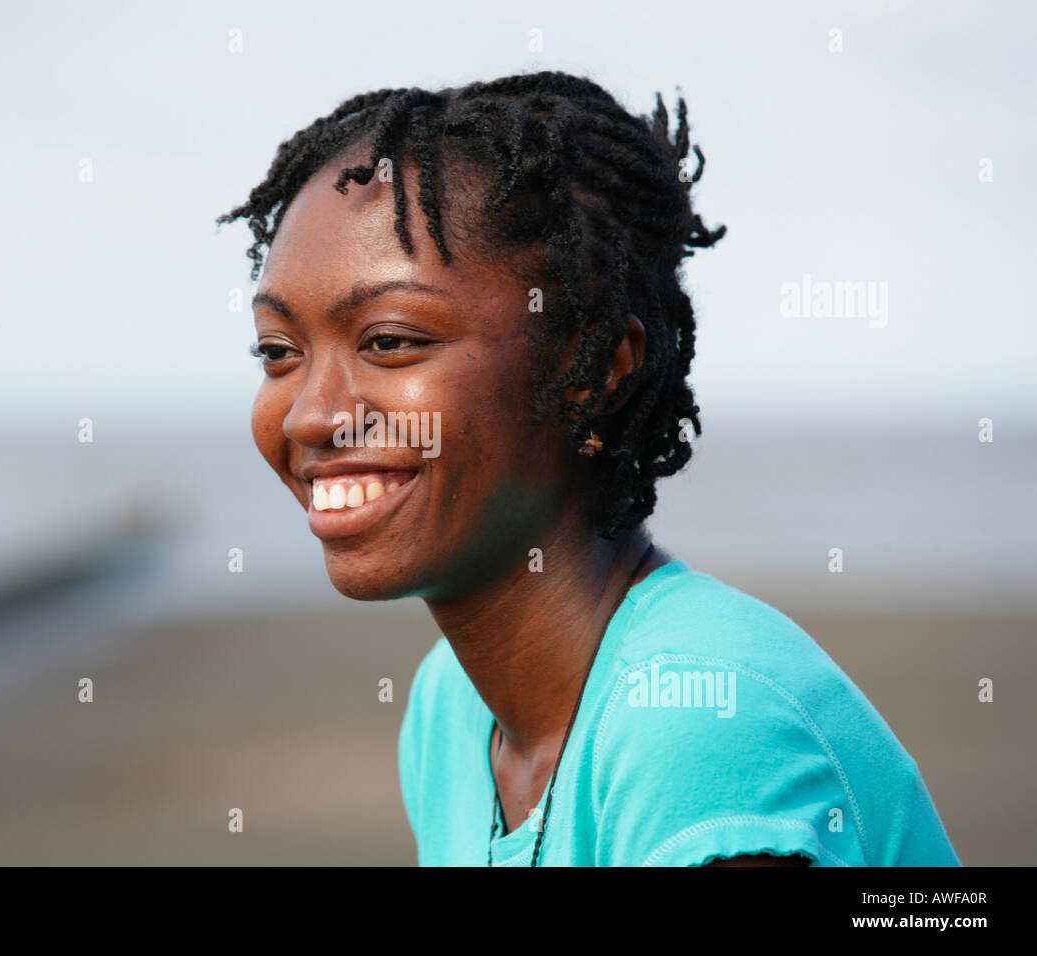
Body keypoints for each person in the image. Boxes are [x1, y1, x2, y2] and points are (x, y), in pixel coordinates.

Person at [218, 71, 960, 867]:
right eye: (279, 353)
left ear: (595, 367)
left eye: (391, 340)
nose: (312, 415)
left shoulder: (698, 731)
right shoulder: (451, 710)